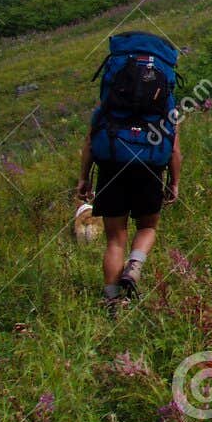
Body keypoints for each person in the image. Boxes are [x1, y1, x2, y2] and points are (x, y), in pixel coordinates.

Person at [77, 129, 181, 312]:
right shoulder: (164, 109)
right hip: (149, 170)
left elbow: (90, 141)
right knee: (147, 228)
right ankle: (134, 266)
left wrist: (84, 178)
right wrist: (174, 182)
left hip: (111, 171)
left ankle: (112, 300)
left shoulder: (108, 108)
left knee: (115, 240)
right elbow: (174, 149)